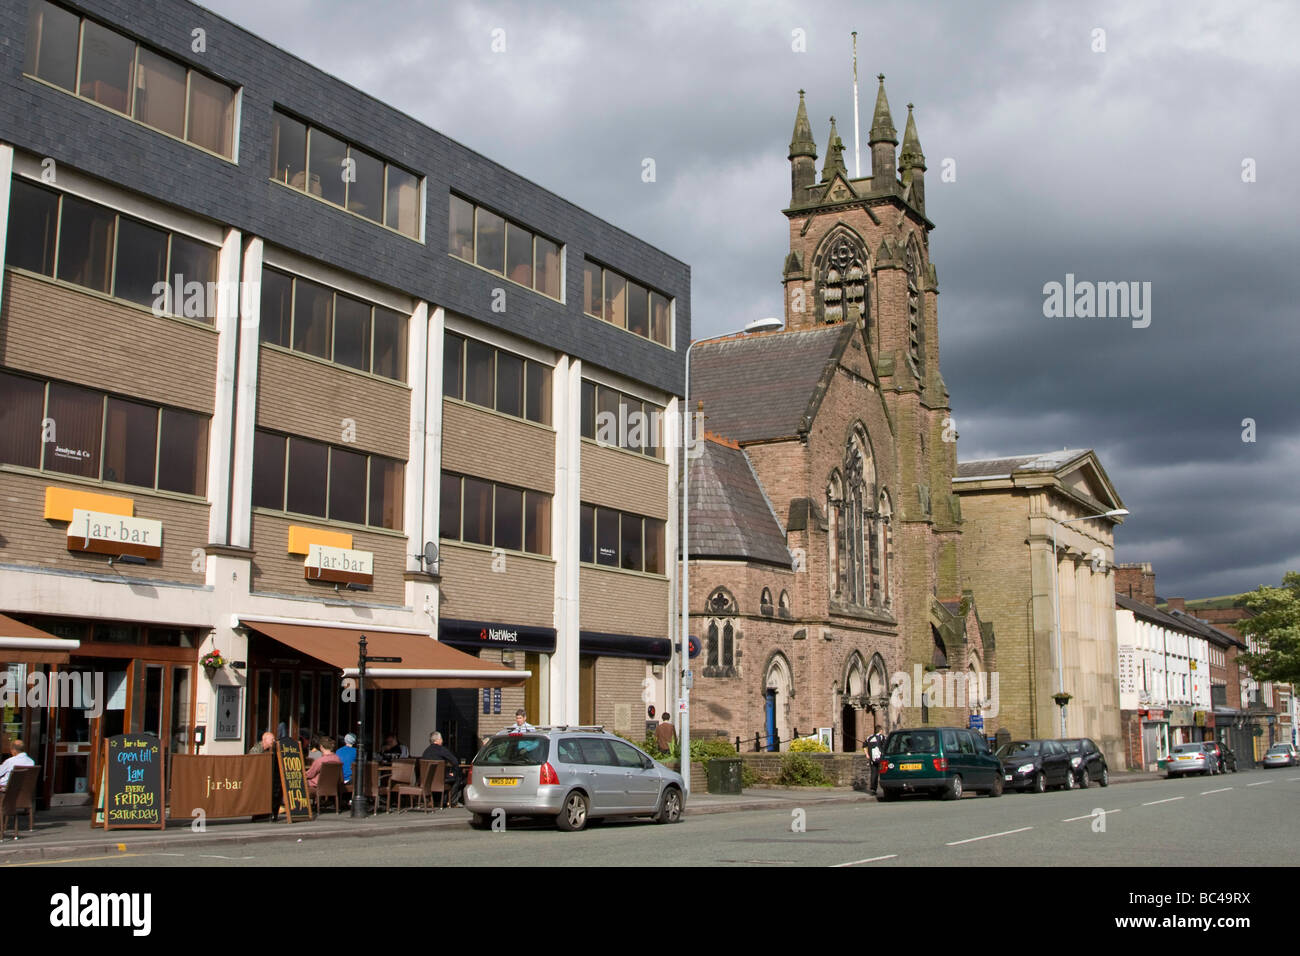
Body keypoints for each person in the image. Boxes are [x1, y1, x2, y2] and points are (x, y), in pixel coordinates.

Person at [247, 731, 282, 821]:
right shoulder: (257, 750)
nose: (274, 741)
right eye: (272, 739)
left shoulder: (272, 750)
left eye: (274, 739)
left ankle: (271, 812)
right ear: (264, 740)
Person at [420, 731, 462, 805]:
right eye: (441, 738)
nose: (442, 740)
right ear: (438, 740)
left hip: (428, 780)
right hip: (441, 779)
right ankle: (451, 801)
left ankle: (433, 800)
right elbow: (455, 761)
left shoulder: (426, 751)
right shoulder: (441, 749)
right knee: (458, 777)